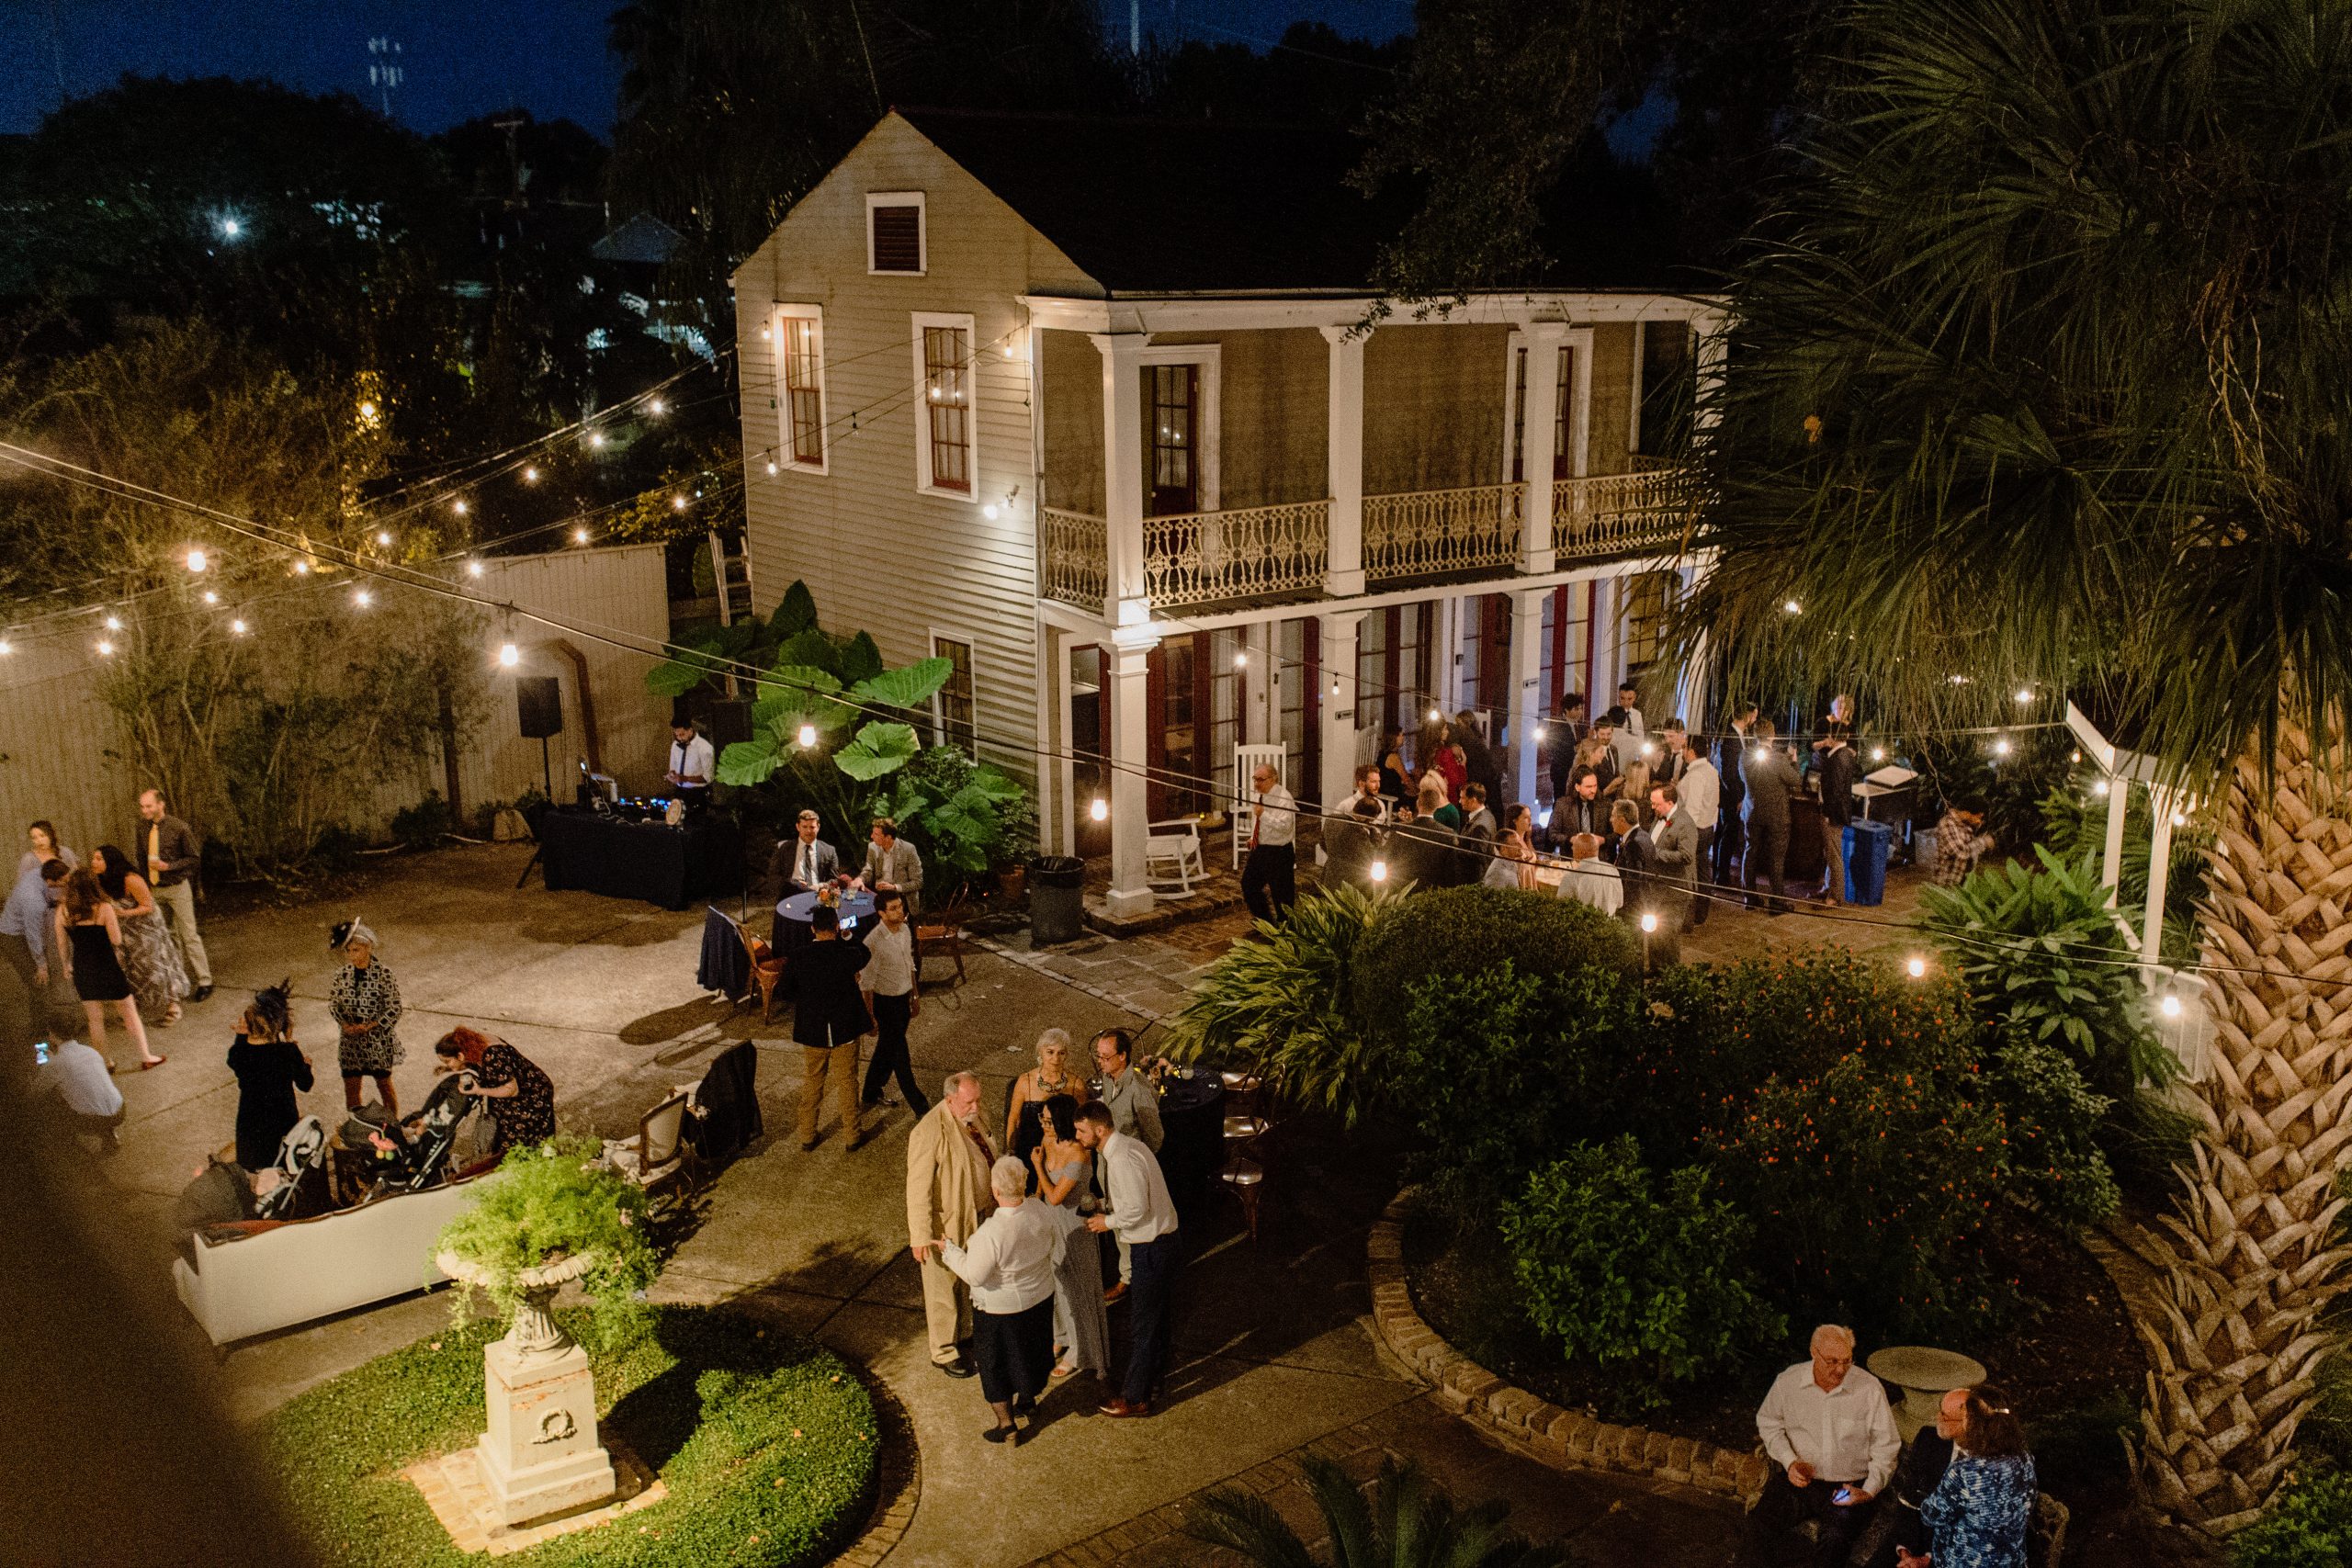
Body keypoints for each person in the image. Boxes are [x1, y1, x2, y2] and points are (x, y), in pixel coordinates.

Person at [937, 1154, 1081, 1444]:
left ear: (995, 1190)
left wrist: (950, 1250)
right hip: (1039, 1299)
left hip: (999, 1310)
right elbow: (1051, 1242)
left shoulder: (990, 1233)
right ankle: (1028, 1400)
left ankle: (1007, 1426)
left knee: (995, 1365)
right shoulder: (1039, 1210)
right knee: (1031, 1354)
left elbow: (975, 1275)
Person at [1750, 1325, 1902, 1568]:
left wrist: (1869, 1491)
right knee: (1759, 1525)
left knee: (1834, 1540)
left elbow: (1887, 1446)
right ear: (1814, 1352)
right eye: (1832, 1361)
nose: (1840, 1369)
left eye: (1847, 1361)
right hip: (1800, 1481)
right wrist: (1790, 1461)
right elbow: (1768, 1423)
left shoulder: (1869, 1389)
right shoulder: (1788, 1382)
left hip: (1847, 1489)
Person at [1077, 1099, 1181, 1417]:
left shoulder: (1120, 1158)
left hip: (1150, 1247)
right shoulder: (1129, 1147)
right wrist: (1106, 1204)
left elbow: (1137, 1209)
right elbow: (1134, 1197)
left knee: (1143, 1325)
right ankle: (1153, 1382)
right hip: (1161, 1243)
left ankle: (1135, 1397)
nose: (1079, 1137)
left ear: (1099, 1129)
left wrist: (1105, 1222)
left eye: (1081, 1131)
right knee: (1157, 1322)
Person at [907, 1071, 996, 1378]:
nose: (976, 1106)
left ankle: (964, 1335)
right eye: (969, 1101)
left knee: (970, 1280)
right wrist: (920, 1236)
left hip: (979, 1214)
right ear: (949, 1099)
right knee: (943, 1287)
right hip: (945, 1224)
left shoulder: (973, 1117)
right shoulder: (929, 1131)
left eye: (977, 1099)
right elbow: (917, 1189)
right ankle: (944, 1351)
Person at [1905, 1385, 2036, 1568]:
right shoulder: (2023, 1458)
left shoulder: (1965, 1471)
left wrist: (1923, 1499)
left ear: (1975, 1424)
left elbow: (1932, 1515)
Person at [1032, 1094, 1111, 1384]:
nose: (1044, 1125)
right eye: (1042, 1119)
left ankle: (1080, 1351)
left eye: (1050, 1121)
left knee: (1078, 1289)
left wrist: (1038, 1165)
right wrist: (1032, 1204)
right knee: (1055, 1283)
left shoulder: (1079, 1153)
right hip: (1051, 1224)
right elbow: (1043, 1194)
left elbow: (1056, 1197)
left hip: (1074, 1226)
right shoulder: (1049, 1139)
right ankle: (1060, 1335)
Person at [56, 868, 163, 1072]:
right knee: (129, 1013)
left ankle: (106, 1063)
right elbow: (116, 940)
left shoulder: (63, 911)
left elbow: (61, 943)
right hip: (106, 966)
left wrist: (66, 965)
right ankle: (146, 1056)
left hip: (83, 968)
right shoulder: (104, 908)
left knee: (95, 1020)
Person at [1091, 1027, 1163, 1302]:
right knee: (1119, 1227)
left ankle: (1130, 1280)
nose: (1101, 1062)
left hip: (1126, 1172)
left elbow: (1155, 1137)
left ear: (1122, 1056)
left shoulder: (1137, 1090)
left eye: (1106, 1057)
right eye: (1099, 1056)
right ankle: (1127, 1273)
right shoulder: (1109, 1080)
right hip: (1107, 1170)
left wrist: (1135, 1164)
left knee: (1130, 1225)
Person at [791, 905, 869, 1151]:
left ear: (812, 928)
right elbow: (865, 954)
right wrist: (848, 936)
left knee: (813, 1082)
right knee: (847, 1083)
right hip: (843, 1029)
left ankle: (807, 1135)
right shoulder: (846, 955)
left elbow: (786, 990)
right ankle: (852, 1136)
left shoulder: (799, 956)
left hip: (813, 1031)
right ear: (836, 927)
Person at [1859, 1387, 1962, 1568]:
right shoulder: (1930, 1438)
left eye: (1946, 1417)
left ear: (1968, 1422)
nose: (1938, 1418)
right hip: (1914, 1535)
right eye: (1940, 1411)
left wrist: (1929, 1559)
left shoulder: (1989, 1464)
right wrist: (1905, 1551)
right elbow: (1909, 1497)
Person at [90, 844, 189, 1028]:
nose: (93, 862)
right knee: (129, 968)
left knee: (154, 965)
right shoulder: (101, 879)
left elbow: (148, 906)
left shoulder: (131, 879)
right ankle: (133, 1010)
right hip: (125, 931)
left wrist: (121, 914)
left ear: (110, 861)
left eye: (98, 858)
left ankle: (173, 1006)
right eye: (93, 858)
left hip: (146, 928)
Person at [135, 790, 211, 1003]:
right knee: (167, 935)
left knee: (189, 934)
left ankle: (205, 980)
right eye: (142, 807)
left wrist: (169, 866)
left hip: (177, 887)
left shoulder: (179, 828)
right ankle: (178, 980)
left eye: (149, 806)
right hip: (155, 888)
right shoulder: (142, 828)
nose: (145, 811)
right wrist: (145, 885)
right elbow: (141, 857)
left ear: (161, 805)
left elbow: (194, 858)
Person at [228, 979, 311, 1171]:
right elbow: (305, 1084)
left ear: (249, 1026)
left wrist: (240, 1037)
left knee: (254, 1167)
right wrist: (304, 1064)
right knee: (282, 1164)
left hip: (250, 1122)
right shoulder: (288, 1052)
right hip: (282, 1120)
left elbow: (236, 1059)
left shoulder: (239, 1053)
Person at [859, 890, 929, 1114]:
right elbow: (866, 984)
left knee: (886, 1049)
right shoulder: (873, 942)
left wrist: (915, 995)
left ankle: (870, 1092)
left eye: (900, 906)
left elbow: (910, 964)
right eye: (894, 908)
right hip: (885, 1004)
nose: (900, 911)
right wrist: (869, 1017)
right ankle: (921, 1107)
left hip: (902, 1000)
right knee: (900, 1056)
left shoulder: (905, 930)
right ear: (881, 913)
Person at [436, 1027, 556, 1151]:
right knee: (508, 1136)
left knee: (530, 1138)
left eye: (447, 1061)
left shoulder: (493, 1054)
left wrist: (479, 1091)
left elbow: (511, 1090)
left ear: (460, 1055)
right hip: (519, 1089)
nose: (447, 1064)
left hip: (532, 1095)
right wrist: (450, 1068)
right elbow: (473, 1063)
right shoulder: (473, 1043)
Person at [327, 919, 401, 1115]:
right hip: (350, 1042)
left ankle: (393, 1126)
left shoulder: (384, 974)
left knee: (384, 1085)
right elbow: (334, 1004)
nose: (351, 956)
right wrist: (344, 1024)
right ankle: (355, 1125)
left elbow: (394, 1007)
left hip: (377, 1040)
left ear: (368, 948)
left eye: (356, 950)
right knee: (351, 1086)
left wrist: (371, 1026)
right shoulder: (341, 974)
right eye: (348, 951)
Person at [1005, 1028, 1086, 1188]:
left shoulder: (1076, 1084)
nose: (1055, 1058)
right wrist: (1011, 1152)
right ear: (1040, 1052)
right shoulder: (1025, 1082)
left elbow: (1083, 1124)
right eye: (1050, 1052)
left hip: (1061, 1157)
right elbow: (1014, 1119)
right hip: (1029, 1152)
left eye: (1061, 1053)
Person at [0, 850, 57, 1061]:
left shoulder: (36, 874)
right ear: (51, 880)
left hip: (13, 930)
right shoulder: (34, 901)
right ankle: (42, 1048)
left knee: (38, 989)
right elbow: (33, 937)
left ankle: (39, 1031)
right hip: (13, 938)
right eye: (61, 884)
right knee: (39, 984)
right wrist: (41, 965)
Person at [1743, 721, 1802, 915]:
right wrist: (1793, 760)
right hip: (1777, 814)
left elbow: (1744, 779)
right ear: (1773, 735)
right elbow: (1795, 780)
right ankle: (1776, 901)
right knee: (1776, 858)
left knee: (1750, 853)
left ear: (1755, 734)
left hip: (1753, 811)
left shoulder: (1744, 756)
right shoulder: (1777, 759)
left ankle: (1749, 897)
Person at [37, 1032, 125, 1153]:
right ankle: (109, 1135)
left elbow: (37, 1090)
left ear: (53, 1036)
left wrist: (48, 1067)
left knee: (52, 1095)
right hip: (120, 1111)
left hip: (90, 1121)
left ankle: (66, 1143)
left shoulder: (55, 1064)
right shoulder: (90, 1051)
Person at [1647, 783, 1699, 963]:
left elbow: (1686, 856)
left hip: (1676, 889)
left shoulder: (1685, 824)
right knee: (1654, 929)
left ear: (1669, 803)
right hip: (1657, 887)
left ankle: (1670, 974)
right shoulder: (1658, 816)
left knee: (1669, 934)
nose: (1653, 807)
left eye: (1656, 804)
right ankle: (1655, 968)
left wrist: (1657, 854)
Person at [1239, 761, 1297, 923]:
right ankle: (1265, 923)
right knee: (1249, 885)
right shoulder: (1259, 795)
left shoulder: (1284, 798)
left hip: (1279, 852)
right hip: (1261, 849)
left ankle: (1286, 930)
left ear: (1273, 779)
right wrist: (1254, 837)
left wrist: (1264, 814)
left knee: (1282, 896)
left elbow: (1285, 827)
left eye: (1261, 780)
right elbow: (1256, 820)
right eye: (1255, 779)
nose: (1257, 784)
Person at [1717, 702, 1758, 889]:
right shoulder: (1730, 737)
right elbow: (1728, 772)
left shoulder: (1740, 736)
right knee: (1727, 835)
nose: (1755, 719)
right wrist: (1738, 798)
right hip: (1730, 797)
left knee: (1728, 835)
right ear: (1747, 715)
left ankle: (1722, 873)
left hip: (1734, 794)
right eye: (1754, 716)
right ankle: (1721, 876)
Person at [1815, 729, 1859, 906]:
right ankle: (1829, 887)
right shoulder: (1845, 755)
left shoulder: (1839, 758)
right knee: (1831, 852)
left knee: (1834, 854)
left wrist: (1827, 813)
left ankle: (1835, 894)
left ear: (1830, 738)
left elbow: (1835, 790)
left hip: (1834, 814)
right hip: (1837, 811)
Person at [768, 808, 840, 899]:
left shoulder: (829, 850)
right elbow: (773, 876)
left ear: (818, 827)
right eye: (804, 827)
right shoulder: (784, 848)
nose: (808, 831)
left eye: (812, 827)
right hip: (791, 895)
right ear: (798, 827)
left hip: (819, 895)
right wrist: (791, 884)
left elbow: (835, 880)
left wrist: (822, 886)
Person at [857, 817, 924, 907]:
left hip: (902, 897)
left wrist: (894, 887)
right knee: (855, 899)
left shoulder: (908, 849)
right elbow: (868, 870)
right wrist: (860, 879)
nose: (871, 836)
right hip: (880, 896)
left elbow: (918, 882)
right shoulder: (872, 847)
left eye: (876, 834)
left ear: (888, 837)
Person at [1321, 797, 1385, 891]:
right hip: (1350, 883)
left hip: (1330, 875)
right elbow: (1372, 856)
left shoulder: (1331, 819)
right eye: (1370, 820)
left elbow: (1322, 842)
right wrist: (1374, 833)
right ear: (1363, 817)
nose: (1370, 823)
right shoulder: (1357, 831)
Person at [1555, 831, 1623, 915]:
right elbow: (1620, 903)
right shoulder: (1613, 870)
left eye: (1574, 846)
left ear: (1582, 852)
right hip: (1610, 925)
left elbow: (1561, 910)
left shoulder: (1571, 877)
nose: (1572, 848)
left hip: (1583, 926)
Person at [1934, 802, 1995, 887]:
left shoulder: (1966, 824)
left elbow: (1970, 848)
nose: (1979, 822)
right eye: (1979, 817)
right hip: (1948, 883)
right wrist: (1983, 842)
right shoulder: (1947, 824)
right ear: (1967, 813)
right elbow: (1959, 852)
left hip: (1962, 880)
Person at [1454, 709, 1502, 805]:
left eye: (1458, 724)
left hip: (1478, 780)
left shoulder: (1468, 742)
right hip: (1489, 780)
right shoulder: (1478, 740)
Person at [1551, 766, 1605, 852]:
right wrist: (1570, 839)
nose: (1593, 790)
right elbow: (1552, 835)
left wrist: (1603, 840)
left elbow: (1616, 834)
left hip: (1599, 858)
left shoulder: (1605, 804)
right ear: (1577, 787)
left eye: (1595, 786)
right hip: (1572, 858)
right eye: (1588, 787)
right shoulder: (1563, 805)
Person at [1547, 694, 1589, 805]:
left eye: (1581, 708)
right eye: (1576, 709)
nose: (1580, 712)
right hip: (1562, 772)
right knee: (1561, 801)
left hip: (1578, 770)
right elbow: (1552, 749)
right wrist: (1573, 749)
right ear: (1566, 710)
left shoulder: (1582, 726)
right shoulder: (1558, 727)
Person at [664, 718, 715, 805]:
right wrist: (671, 775)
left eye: (682, 734)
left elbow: (708, 777)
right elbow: (673, 768)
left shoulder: (704, 748)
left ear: (690, 731)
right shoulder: (675, 745)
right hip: (679, 792)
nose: (680, 738)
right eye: (677, 735)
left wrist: (685, 778)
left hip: (698, 793)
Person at [1483, 818, 1537, 891]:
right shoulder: (1497, 873)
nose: (1520, 846)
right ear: (1504, 848)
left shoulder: (1511, 861)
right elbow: (1494, 898)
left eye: (1519, 842)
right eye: (1516, 844)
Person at [1376, 728, 1412, 805]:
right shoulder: (1393, 757)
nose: (1403, 738)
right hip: (1391, 799)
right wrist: (1417, 791)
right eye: (1401, 735)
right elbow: (1406, 780)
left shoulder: (1382, 754)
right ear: (1394, 738)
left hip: (1386, 793)